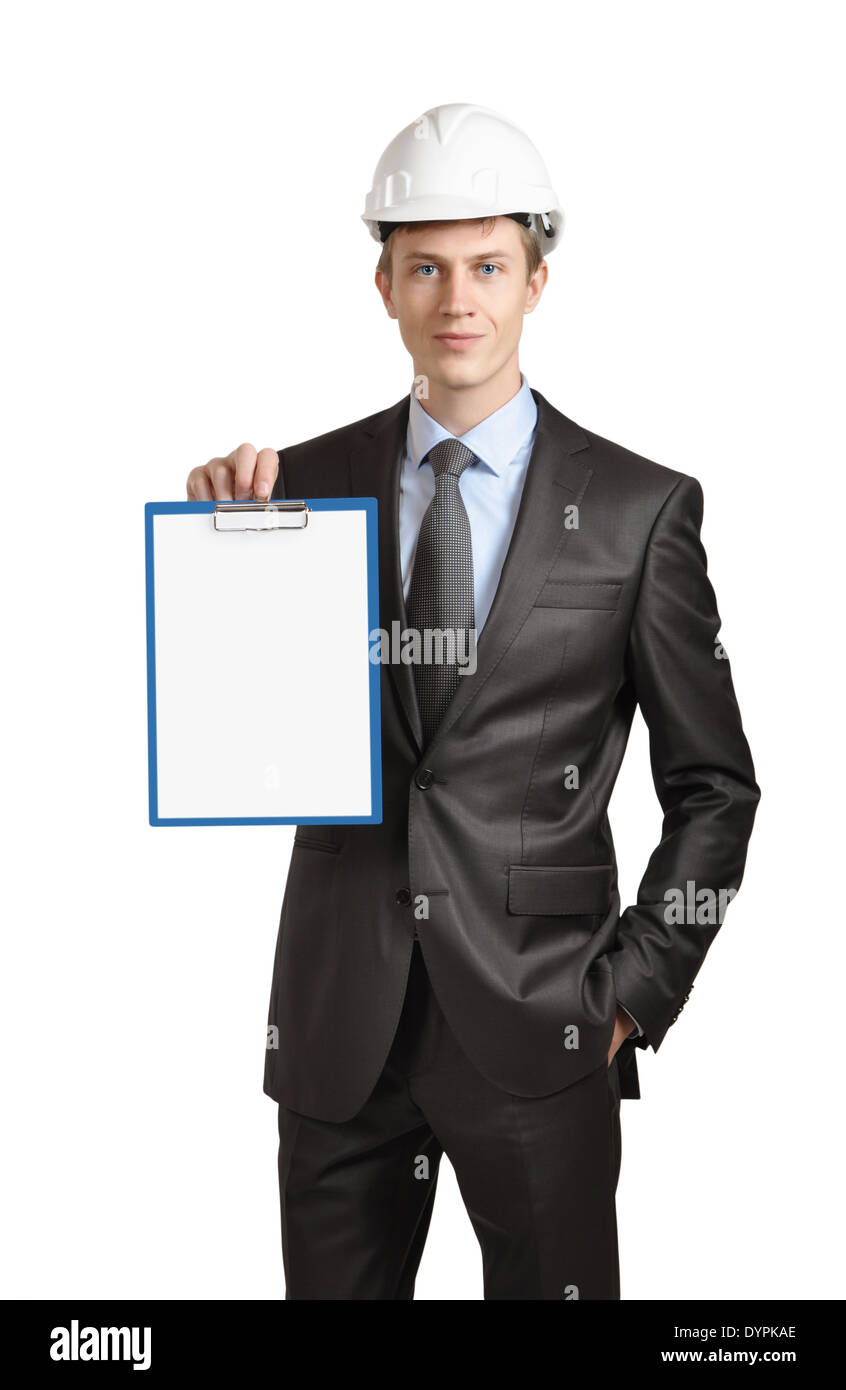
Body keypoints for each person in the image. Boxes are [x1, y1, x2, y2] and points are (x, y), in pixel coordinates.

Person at [186, 103, 760, 1300]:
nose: (460, 298)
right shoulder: (298, 488)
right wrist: (215, 557)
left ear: (537, 281)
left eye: (489, 266)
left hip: (544, 1026)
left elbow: (715, 788)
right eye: (428, 267)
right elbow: (244, 747)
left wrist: (630, 998)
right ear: (384, 285)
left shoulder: (634, 511)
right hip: (343, 1025)